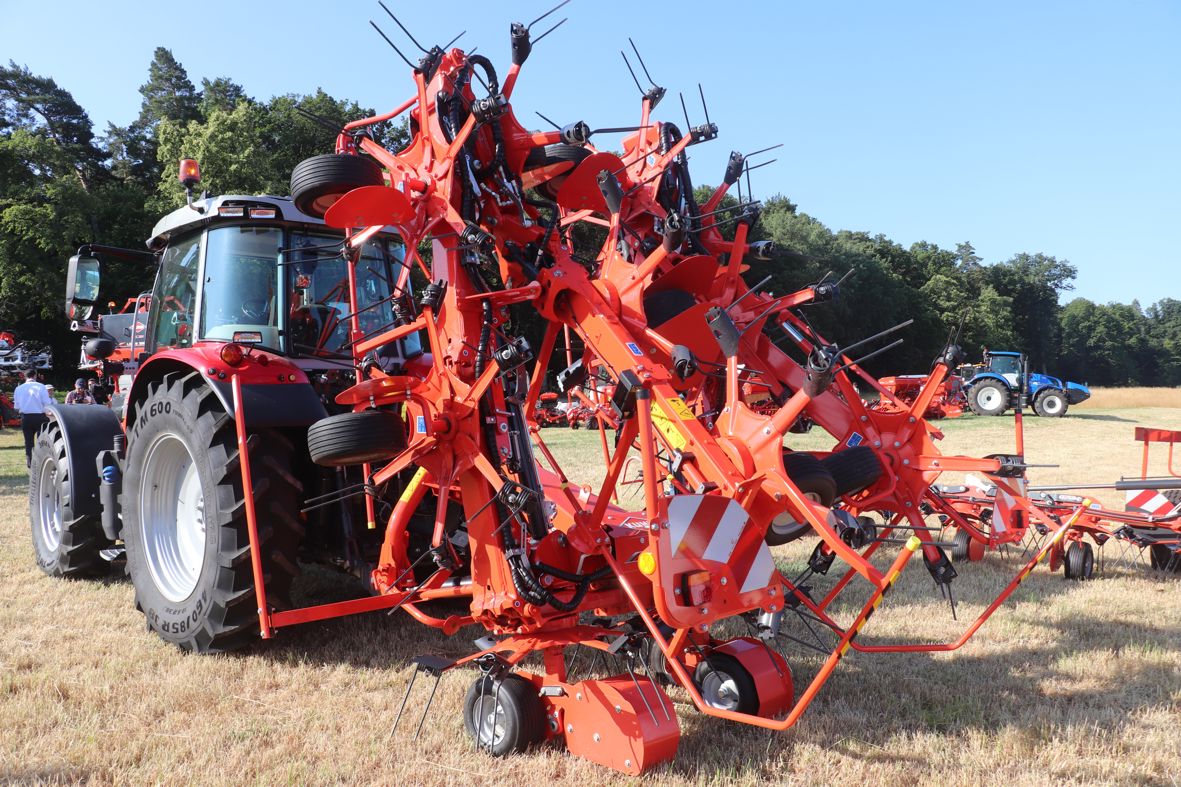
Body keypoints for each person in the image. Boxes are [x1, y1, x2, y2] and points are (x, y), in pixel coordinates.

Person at [13, 368, 52, 466]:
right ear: (35, 375)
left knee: (28, 441)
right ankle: (41, 462)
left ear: (24, 376)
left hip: (25, 417)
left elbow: (16, 407)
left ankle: (30, 463)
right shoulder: (41, 386)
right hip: (39, 417)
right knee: (41, 441)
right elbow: (47, 403)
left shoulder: (18, 389)